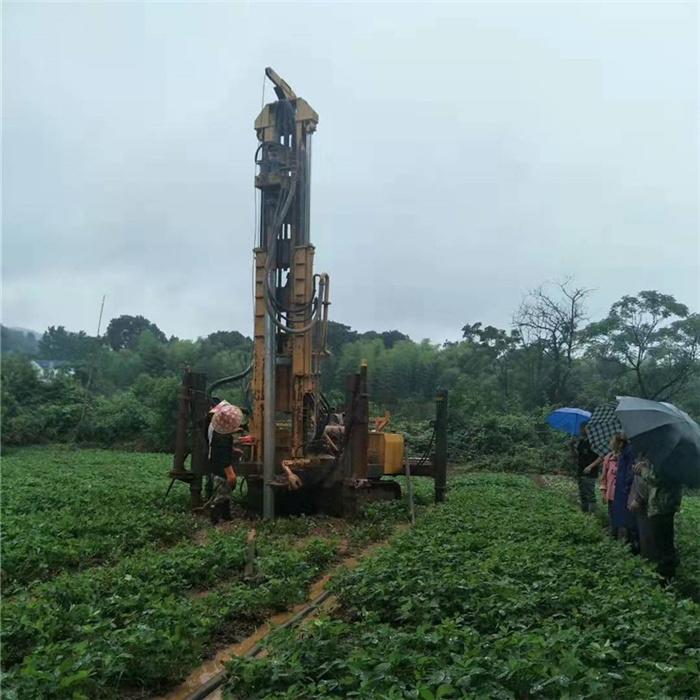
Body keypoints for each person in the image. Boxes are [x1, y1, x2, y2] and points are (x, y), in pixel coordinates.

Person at [632, 459, 683, 582]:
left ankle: (665, 579)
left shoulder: (669, 459)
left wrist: (643, 470)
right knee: (661, 543)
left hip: (662, 506)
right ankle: (663, 575)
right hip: (662, 505)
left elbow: (657, 479)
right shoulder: (666, 457)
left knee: (662, 545)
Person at [207, 400, 244, 524]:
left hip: (214, 463)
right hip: (220, 467)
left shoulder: (219, 431)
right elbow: (223, 456)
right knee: (221, 493)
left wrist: (233, 449)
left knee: (225, 492)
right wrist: (230, 473)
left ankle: (226, 515)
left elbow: (219, 448)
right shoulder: (223, 436)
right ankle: (215, 518)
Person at [611, 440, 637, 551]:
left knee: (629, 520)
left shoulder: (630, 450)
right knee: (623, 519)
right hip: (621, 489)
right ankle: (626, 543)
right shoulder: (624, 451)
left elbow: (630, 472)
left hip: (625, 491)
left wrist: (626, 488)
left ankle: (632, 546)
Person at [599, 433, 625, 536]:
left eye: (612, 441)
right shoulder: (608, 458)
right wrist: (603, 492)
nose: (610, 443)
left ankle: (623, 542)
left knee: (623, 523)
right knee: (612, 519)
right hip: (611, 495)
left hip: (623, 496)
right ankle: (613, 540)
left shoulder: (627, 458)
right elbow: (603, 477)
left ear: (620, 444)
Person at [571, 425, 602, 513]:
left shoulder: (595, 441)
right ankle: (584, 513)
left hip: (590, 472)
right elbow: (576, 455)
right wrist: (572, 446)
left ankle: (592, 515)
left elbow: (601, 456)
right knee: (583, 494)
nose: (580, 430)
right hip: (581, 471)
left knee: (590, 494)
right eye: (580, 428)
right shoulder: (581, 441)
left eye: (582, 428)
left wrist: (590, 466)